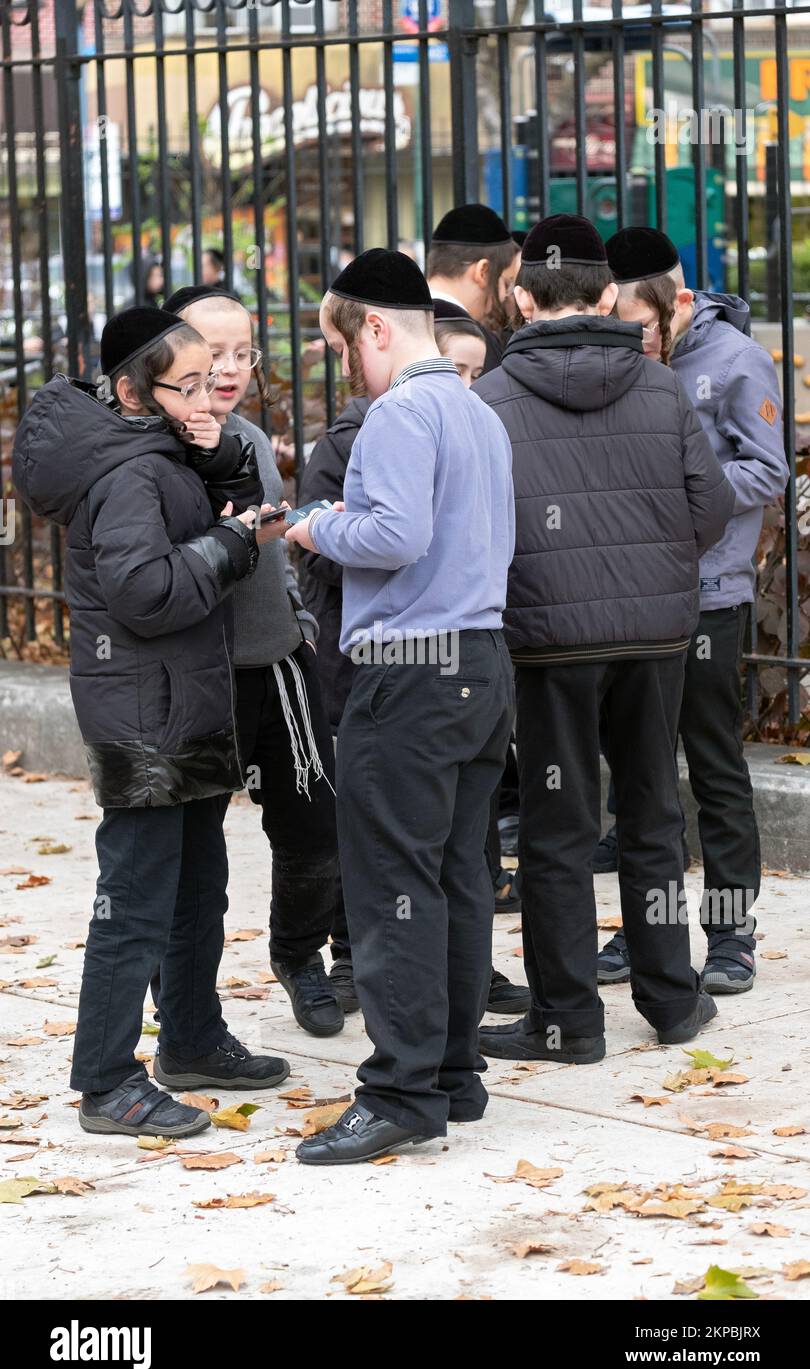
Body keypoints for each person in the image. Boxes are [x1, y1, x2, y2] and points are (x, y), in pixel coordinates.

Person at [12, 306, 293, 1137]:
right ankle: (105, 1080)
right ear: (134, 390)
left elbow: (217, 490)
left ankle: (194, 1039)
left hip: (184, 700)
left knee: (197, 886)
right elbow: (145, 592)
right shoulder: (127, 473)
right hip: (146, 712)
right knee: (133, 898)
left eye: (215, 379)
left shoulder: (157, 443)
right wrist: (234, 544)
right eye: (190, 384)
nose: (210, 395)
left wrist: (222, 454)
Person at [472, 215, 736, 1064]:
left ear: (518, 296)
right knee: (655, 814)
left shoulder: (492, 400)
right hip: (656, 639)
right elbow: (712, 508)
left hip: (548, 640)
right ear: (611, 294)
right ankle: (672, 998)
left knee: (557, 828)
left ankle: (568, 1020)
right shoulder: (662, 388)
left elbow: (477, 528)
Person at [286, 249, 516, 1164]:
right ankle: (452, 1073)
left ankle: (400, 1092)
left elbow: (394, 535)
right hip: (479, 662)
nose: (343, 364)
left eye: (340, 345)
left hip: (410, 670)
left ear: (374, 329)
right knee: (459, 874)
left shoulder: (399, 411)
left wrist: (315, 524)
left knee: (391, 888)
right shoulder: (475, 409)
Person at [594, 227, 789, 995]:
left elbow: (767, 471)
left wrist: (680, 499)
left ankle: (732, 932)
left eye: (640, 324)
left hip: (710, 595)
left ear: (677, 301)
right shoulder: (625, 358)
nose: (629, 338)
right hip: (633, 594)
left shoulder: (737, 360)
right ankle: (646, 926)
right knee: (639, 774)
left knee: (712, 766)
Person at [163, 284, 344, 1038]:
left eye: (244, 352)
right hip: (201, 678)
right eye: (213, 354)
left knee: (314, 828)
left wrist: (300, 623)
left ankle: (299, 958)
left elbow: (269, 551)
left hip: (277, 663)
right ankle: (188, 1017)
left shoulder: (250, 435)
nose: (231, 368)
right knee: (192, 856)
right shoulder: (156, 452)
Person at [427, 203, 521, 372]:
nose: (503, 296)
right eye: (506, 283)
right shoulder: (479, 343)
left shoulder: (395, 324)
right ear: (483, 271)